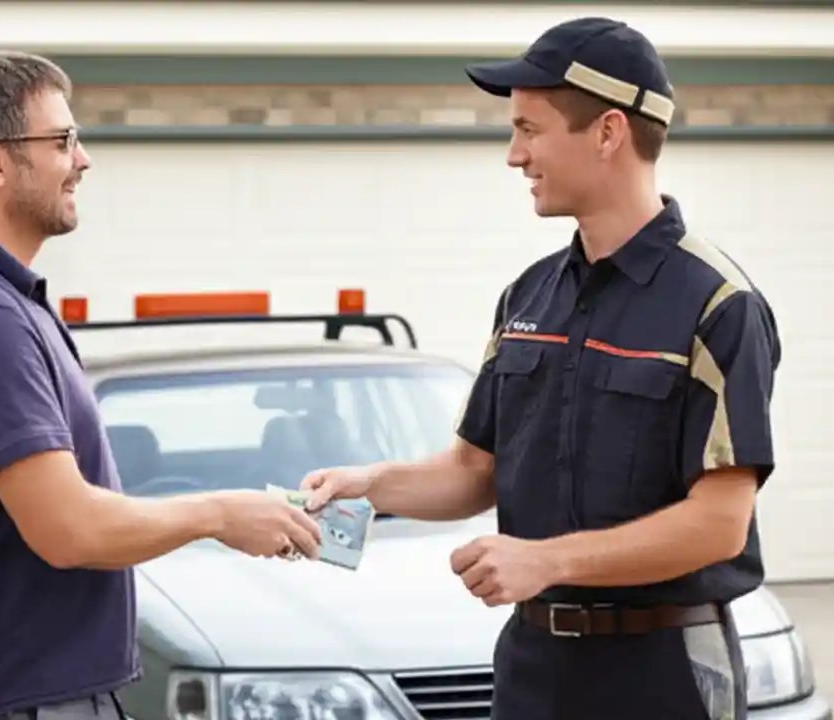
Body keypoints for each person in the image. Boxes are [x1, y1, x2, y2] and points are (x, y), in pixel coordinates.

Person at [301, 17, 781, 720]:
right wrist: (369, 486)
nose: (514, 155)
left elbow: (718, 525)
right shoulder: (528, 297)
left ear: (609, 133)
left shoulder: (717, 305)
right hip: (535, 667)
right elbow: (474, 471)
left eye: (530, 129)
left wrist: (548, 561)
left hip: (665, 673)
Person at [0, 50, 322, 720]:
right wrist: (219, 514)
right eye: (63, 140)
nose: (83, 159)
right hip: (19, 704)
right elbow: (68, 529)